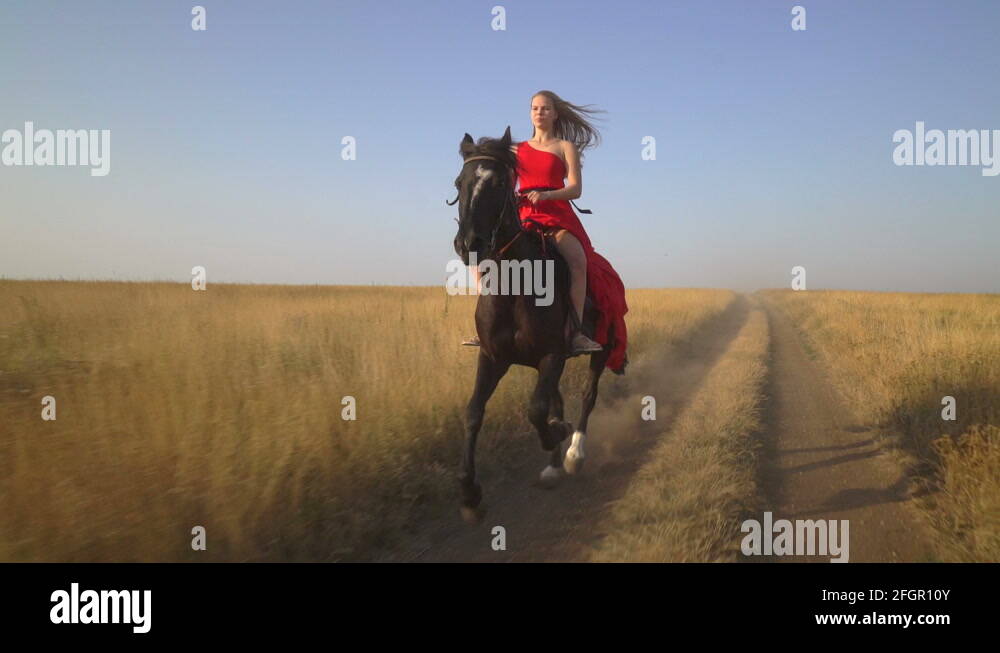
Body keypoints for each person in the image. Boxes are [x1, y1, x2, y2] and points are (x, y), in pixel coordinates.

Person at [463, 91, 628, 369]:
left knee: (577, 262)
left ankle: (576, 333)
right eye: (535, 108)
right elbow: (505, 185)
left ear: (555, 114)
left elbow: (576, 189)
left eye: (545, 108)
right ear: (530, 113)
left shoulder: (565, 147)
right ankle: (488, 330)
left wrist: (548, 196)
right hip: (523, 217)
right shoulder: (516, 150)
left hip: (557, 218)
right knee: (477, 261)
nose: (539, 113)